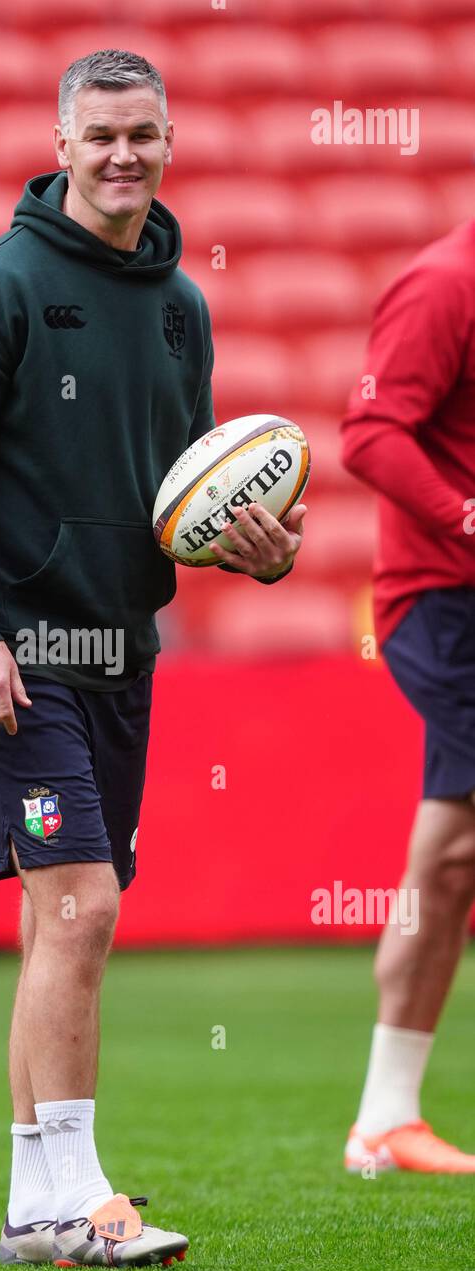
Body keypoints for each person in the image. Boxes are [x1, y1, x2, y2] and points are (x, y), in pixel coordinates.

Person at [0, 49, 305, 1267]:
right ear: (61, 141)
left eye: (143, 133)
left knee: (56, 924)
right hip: (11, 655)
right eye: (101, 134)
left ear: (169, 137)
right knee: (83, 906)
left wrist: (259, 552)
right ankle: (78, 1200)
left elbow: (179, 495)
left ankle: (35, 1213)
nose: (123, 154)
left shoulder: (181, 307)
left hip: (121, 649)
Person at [341, 218, 475, 1174]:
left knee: (452, 855)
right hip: (444, 601)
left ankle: (386, 1121)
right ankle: (383, 1117)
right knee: (458, 846)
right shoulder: (445, 284)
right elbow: (370, 432)